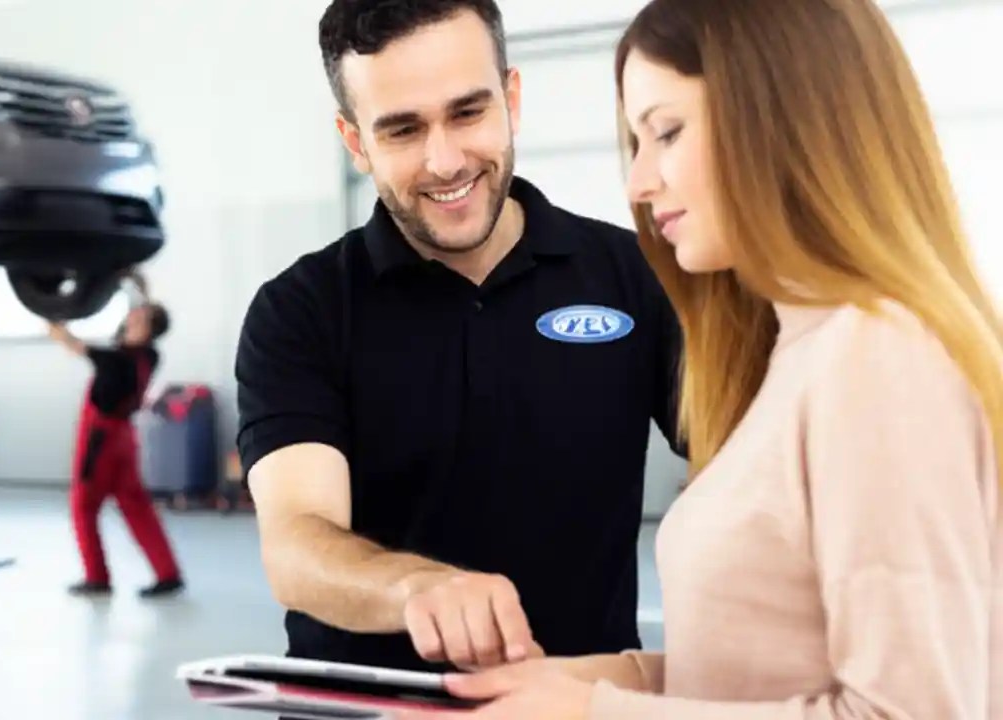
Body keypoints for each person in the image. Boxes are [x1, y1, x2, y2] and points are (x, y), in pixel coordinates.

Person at [398, 0, 1003, 717]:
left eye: (667, 132)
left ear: (785, 118)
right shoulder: (798, 354)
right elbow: (755, 671)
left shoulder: (877, 356)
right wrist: (591, 684)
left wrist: (593, 714)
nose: (638, 183)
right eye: (636, 141)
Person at [234, 0, 685, 673]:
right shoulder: (300, 310)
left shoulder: (639, 277)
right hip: (365, 710)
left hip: (571, 704)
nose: (444, 161)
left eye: (468, 113)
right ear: (355, 142)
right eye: (403, 130)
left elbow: (750, 463)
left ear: (511, 100)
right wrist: (418, 588)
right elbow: (296, 544)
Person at [48, 273, 185, 599]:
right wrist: (136, 281)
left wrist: (49, 308)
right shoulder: (149, 356)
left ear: (148, 330)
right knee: (136, 506)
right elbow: (142, 312)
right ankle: (168, 574)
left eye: (140, 318)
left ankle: (97, 578)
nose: (132, 316)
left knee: (83, 506)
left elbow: (67, 340)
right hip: (125, 439)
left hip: (100, 439)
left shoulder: (114, 359)